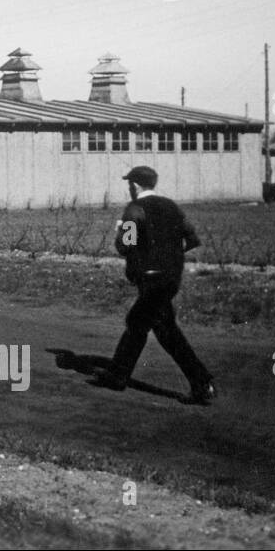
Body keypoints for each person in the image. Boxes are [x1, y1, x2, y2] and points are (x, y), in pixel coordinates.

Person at [90, 165, 216, 404]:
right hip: (172, 277)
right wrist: (168, 253)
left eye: (130, 184)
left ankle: (119, 376)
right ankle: (199, 382)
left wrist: (125, 235)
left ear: (135, 185)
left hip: (149, 278)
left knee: (142, 324)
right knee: (159, 327)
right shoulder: (172, 206)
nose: (129, 188)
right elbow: (191, 238)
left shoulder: (135, 209)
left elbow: (124, 246)